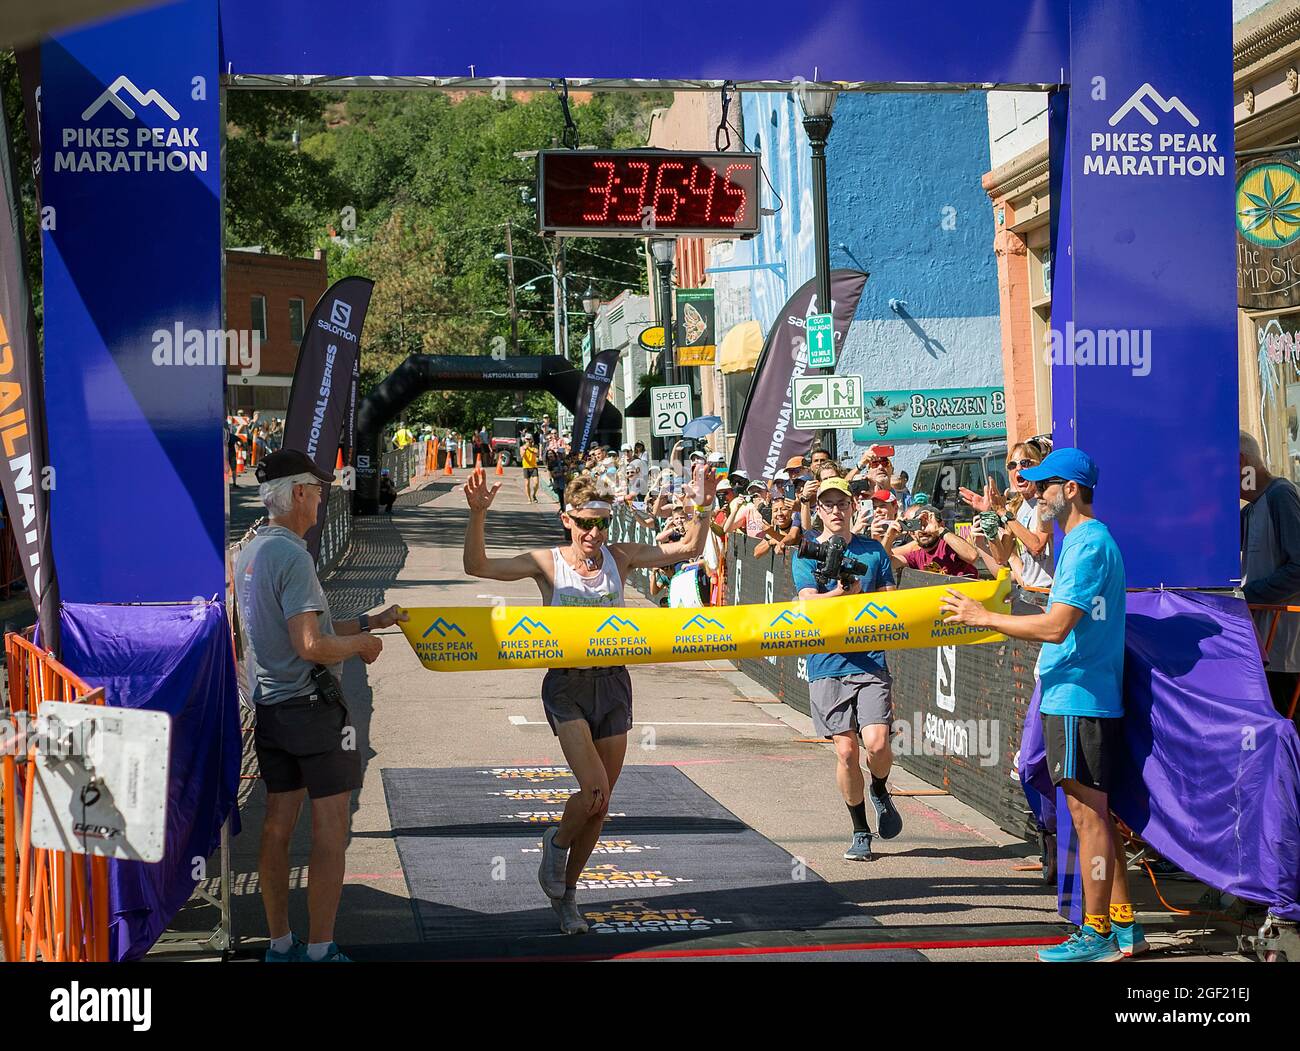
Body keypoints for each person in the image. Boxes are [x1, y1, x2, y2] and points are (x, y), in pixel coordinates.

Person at [461, 462, 718, 934]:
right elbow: (478, 567)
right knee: (593, 789)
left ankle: (569, 895)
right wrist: (477, 514)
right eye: (585, 523)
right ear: (567, 519)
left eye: (601, 523)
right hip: (567, 687)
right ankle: (555, 845)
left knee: (602, 804)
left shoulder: (620, 558)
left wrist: (702, 503)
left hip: (614, 685)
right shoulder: (547, 563)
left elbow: (687, 548)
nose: (594, 533)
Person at [939, 447, 1144, 962]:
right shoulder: (1080, 542)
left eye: (1044, 483)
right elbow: (1056, 613)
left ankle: (1096, 933)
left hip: (1079, 698)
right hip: (1076, 695)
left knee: (1089, 818)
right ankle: (1123, 927)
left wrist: (982, 619)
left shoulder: (1087, 544)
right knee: (1096, 815)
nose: (1035, 490)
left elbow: (1056, 627)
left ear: (1070, 490)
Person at [234, 450, 408, 963]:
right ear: (297, 495)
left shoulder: (251, 550)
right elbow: (312, 644)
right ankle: (319, 950)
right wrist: (360, 648)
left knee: (277, 824)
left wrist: (372, 622)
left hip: (271, 709)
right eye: (317, 488)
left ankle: (281, 944)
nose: (322, 497)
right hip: (311, 709)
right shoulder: (293, 556)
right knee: (333, 828)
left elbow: (304, 632)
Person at [791, 477, 903, 862]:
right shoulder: (807, 551)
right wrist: (842, 593)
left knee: (877, 744)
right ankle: (860, 831)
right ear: (818, 510)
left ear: (853, 506)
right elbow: (808, 603)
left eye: (842, 503)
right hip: (826, 664)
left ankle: (880, 788)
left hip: (870, 659)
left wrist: (865, 597)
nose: (836, 510)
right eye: (828, 504)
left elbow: (892, 605)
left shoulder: (873, 552)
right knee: (845, 752)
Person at [1240, 429, 1300, 727]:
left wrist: (1248, 597)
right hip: (1266, 649)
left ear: (1241, 462)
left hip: (1286, 652)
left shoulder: (1280, 495)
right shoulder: (1251, 510)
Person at [887, 506, 980, 579]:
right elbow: (887, 563)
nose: (923, 530)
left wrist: (939, 530)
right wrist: (889, 536)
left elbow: (972, 556)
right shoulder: (916, 556)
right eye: (920, 524)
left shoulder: (949, 545)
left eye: (927, 524)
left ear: (942, 525)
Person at [521, 433, 541, 503]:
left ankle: (534, 495)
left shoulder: (534, 447)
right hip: (526, 467)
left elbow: (537, 452)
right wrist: (525, 448)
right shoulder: (522, 447)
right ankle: (529, 498)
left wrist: (530, 448)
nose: (528, 441)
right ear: (525, 440)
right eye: (527, 439)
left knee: (536, 483)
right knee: (527, 484)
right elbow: (522, 455)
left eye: (529, 439)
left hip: (533, 467)